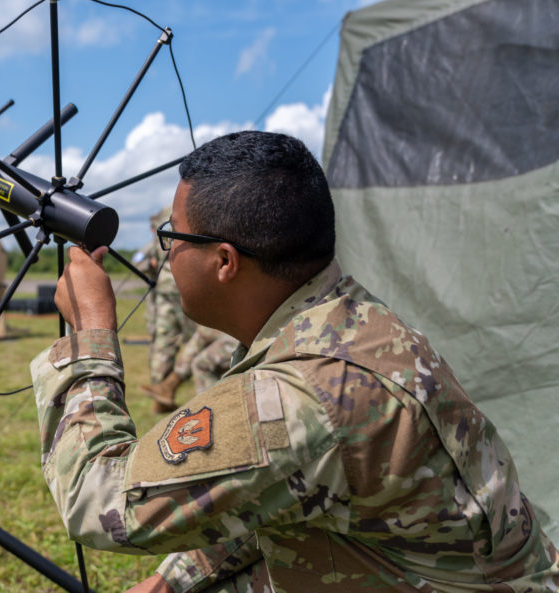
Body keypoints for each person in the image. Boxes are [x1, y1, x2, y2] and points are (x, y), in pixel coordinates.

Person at [29, 131, 559, 592]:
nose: (166, 253)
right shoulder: (345, 318)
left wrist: (91, 333)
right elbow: (270, 487)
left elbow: (96, 499)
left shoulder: (306, 396)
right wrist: (172, 582)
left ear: (224, 262)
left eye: (173, 236)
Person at [136, 206, 196, 413]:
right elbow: (139, 262)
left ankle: (164, 392)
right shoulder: (192, 227)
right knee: (185, 344)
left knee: (165, 345)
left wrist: (148, 265)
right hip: (180, 296)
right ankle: (161, 396)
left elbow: (137, 261)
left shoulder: (159, 238)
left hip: (180, 296)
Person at [140, 325, 239, 410]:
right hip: (242, 327)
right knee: (204, 331)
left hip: (249, 336)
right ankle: (170, 384)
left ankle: (211, 412)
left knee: (201, 364)